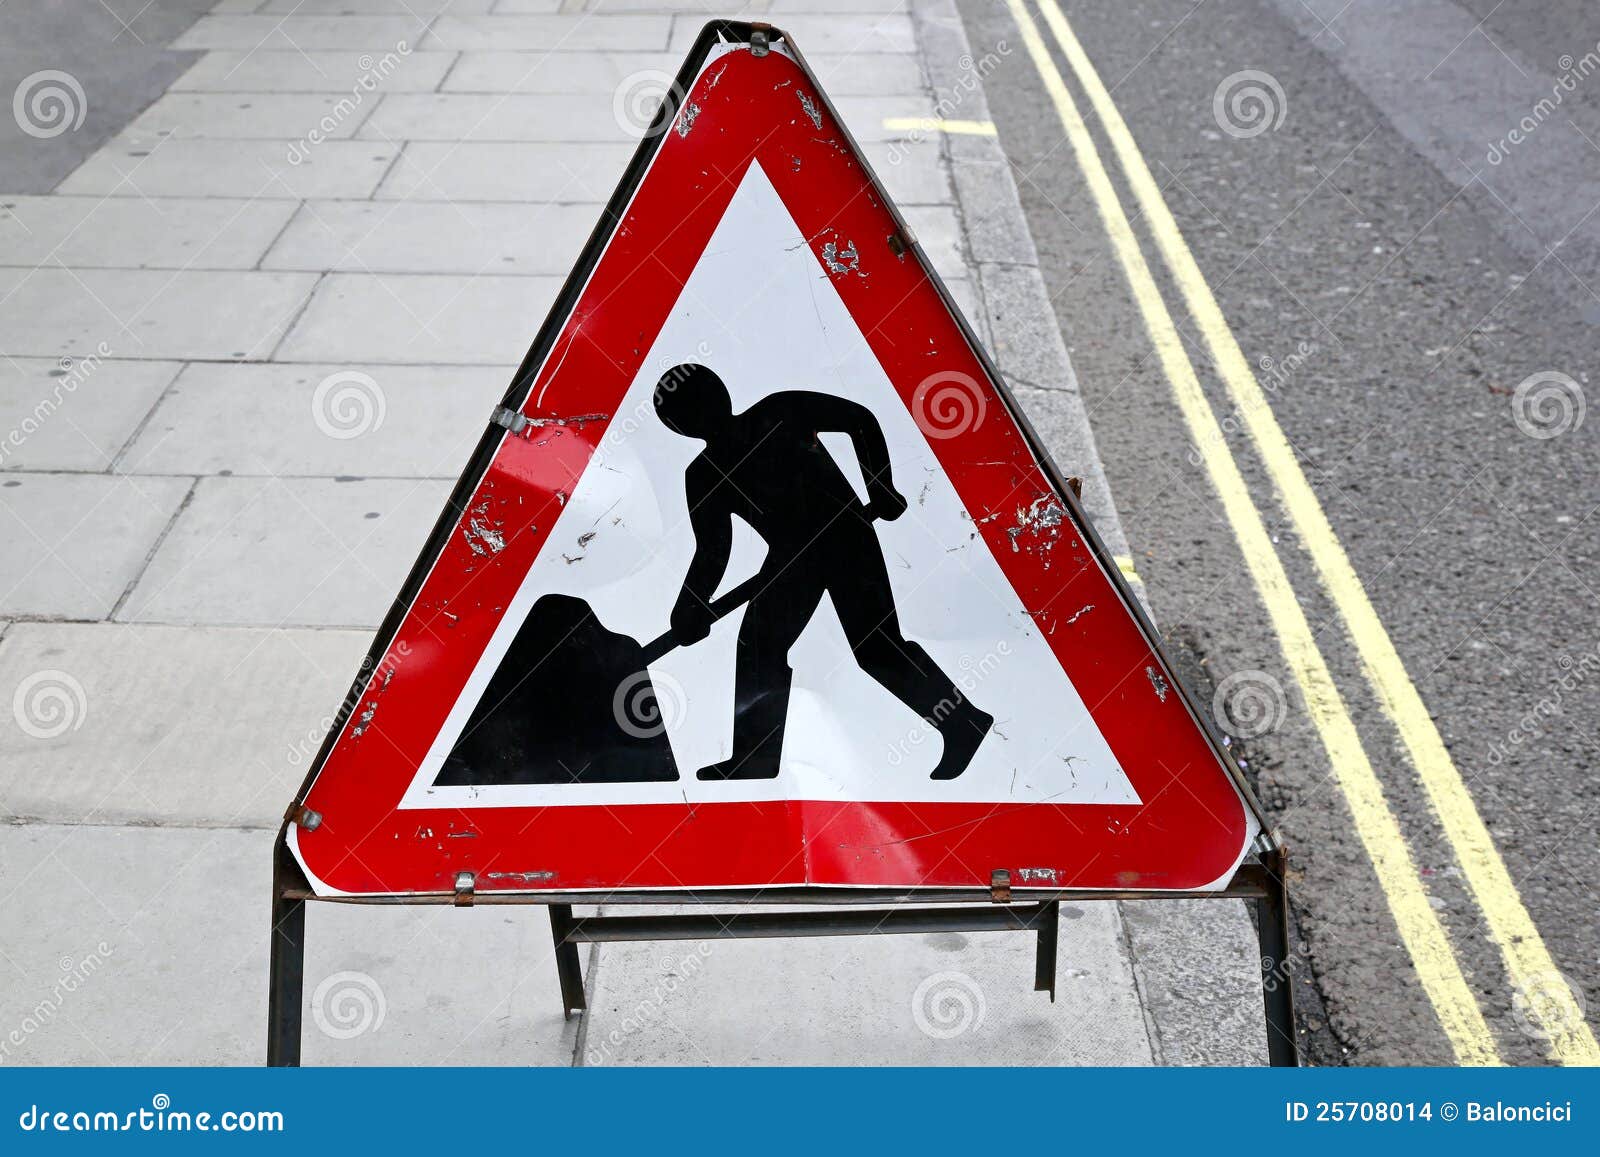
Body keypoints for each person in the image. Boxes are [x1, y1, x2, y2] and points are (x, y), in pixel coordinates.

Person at [654, 363, 993, 781]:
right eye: (687, 412)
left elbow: (859, 420)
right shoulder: (704, 474)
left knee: (876, 648)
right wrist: (689, 606)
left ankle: (962, 722)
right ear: (679, 428)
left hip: (846, 536)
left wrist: (880, 485)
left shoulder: (779, 411)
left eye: (698, 403)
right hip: (790, 561)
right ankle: (755, 757)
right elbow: (712, 549)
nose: (699, 415)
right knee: (759, 647)